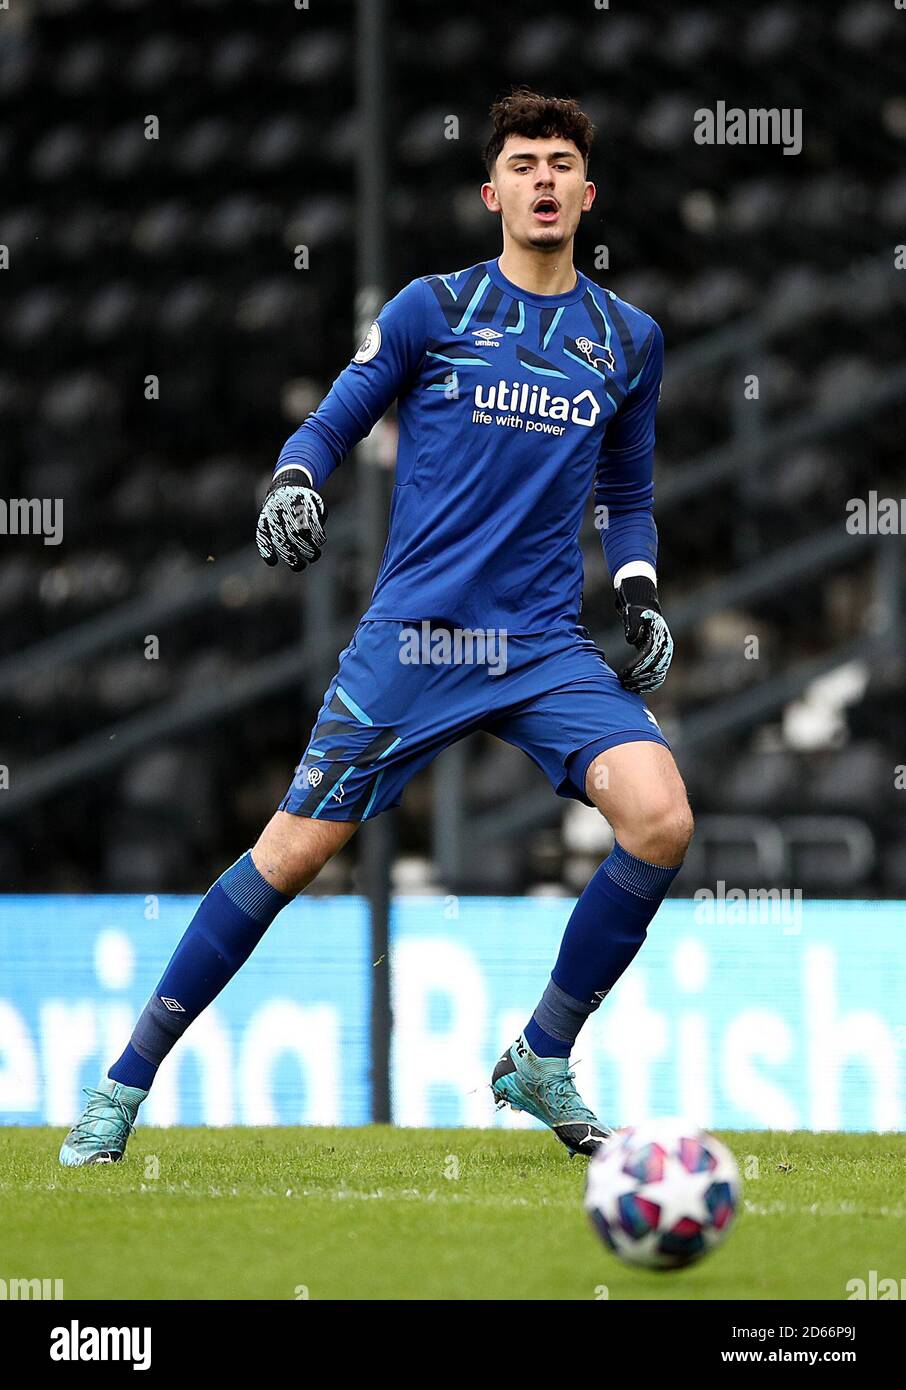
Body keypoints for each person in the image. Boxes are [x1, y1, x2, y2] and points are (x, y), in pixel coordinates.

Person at [60, 88, 692, 1166]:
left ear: (589, 193)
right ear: (492, 192)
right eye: (524, 165)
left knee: (662, 817)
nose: (544, 180)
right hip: (416, 641)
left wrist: (637, 592)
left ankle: (542, 1055)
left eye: (561, 165)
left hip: (538, 647)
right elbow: (330, 423)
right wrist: (294, 482)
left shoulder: (627, 341)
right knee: (291, 853)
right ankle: (120, 1086)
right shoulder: (431, 309)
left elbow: (625, 495)